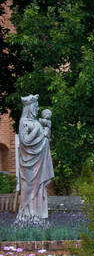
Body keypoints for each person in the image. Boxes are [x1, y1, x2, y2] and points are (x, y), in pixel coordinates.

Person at [15, 95, 54, 224]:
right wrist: (39, 130)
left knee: (40, 187)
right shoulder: (23, 122)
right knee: (28, 186)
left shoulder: (37, 122)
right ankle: (27, 215)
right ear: (30, 108)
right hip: (27, 161)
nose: (37, 109)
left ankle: (38, 215)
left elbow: (43, 139)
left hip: (39, 160)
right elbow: (25, 140)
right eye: (35, 107)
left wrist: (46, 136)